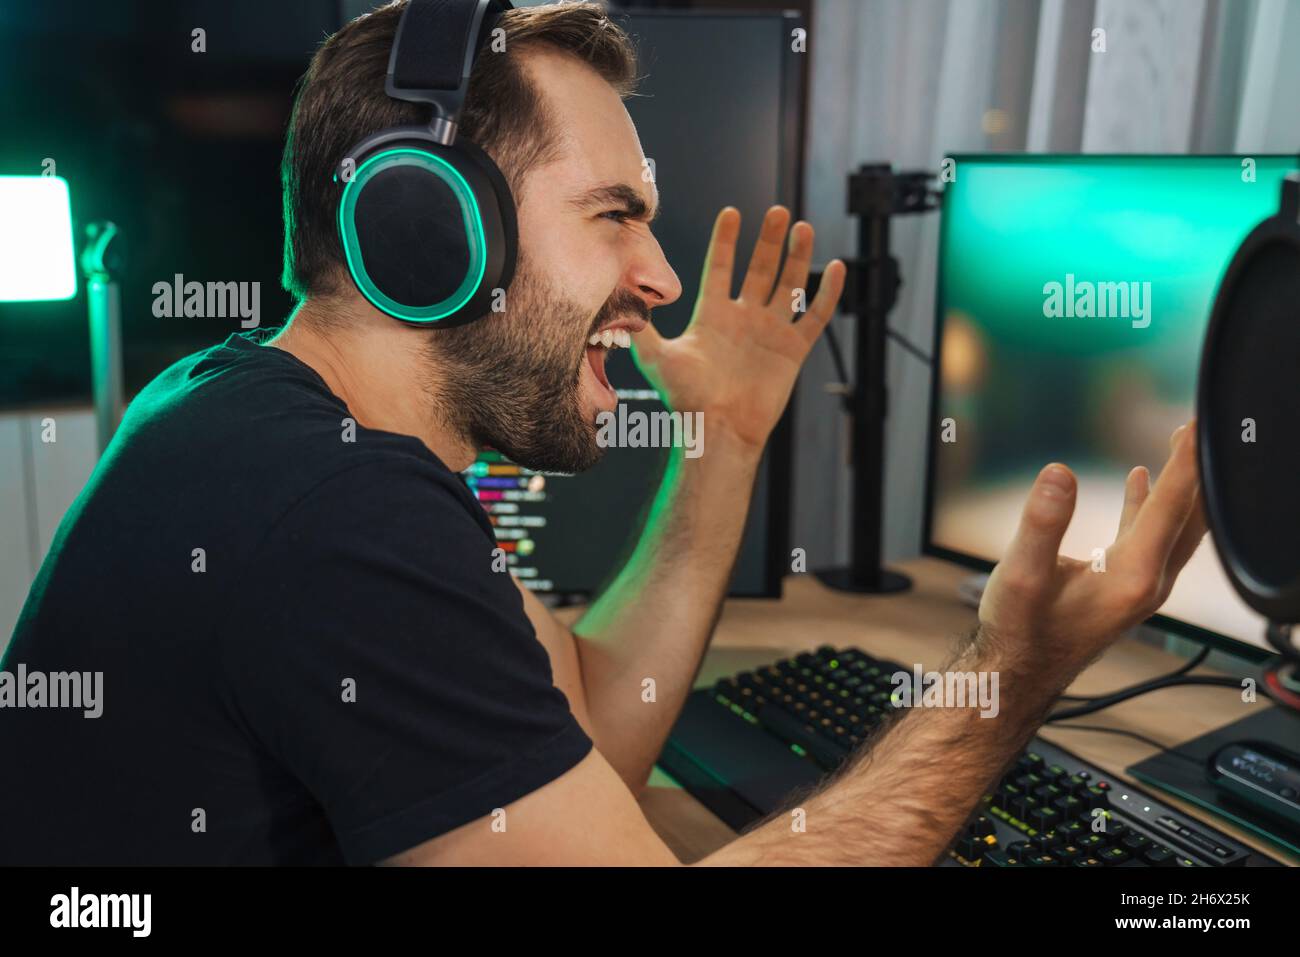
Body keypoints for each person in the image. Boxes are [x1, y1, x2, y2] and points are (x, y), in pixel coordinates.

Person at [0, 0, 1205, 866]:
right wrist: (1012, 677)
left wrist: (720, 443)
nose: (661, 276)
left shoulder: (249, 407)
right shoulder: (334, 512)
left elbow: (583, 720)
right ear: (428, 229)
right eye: (615, 215)